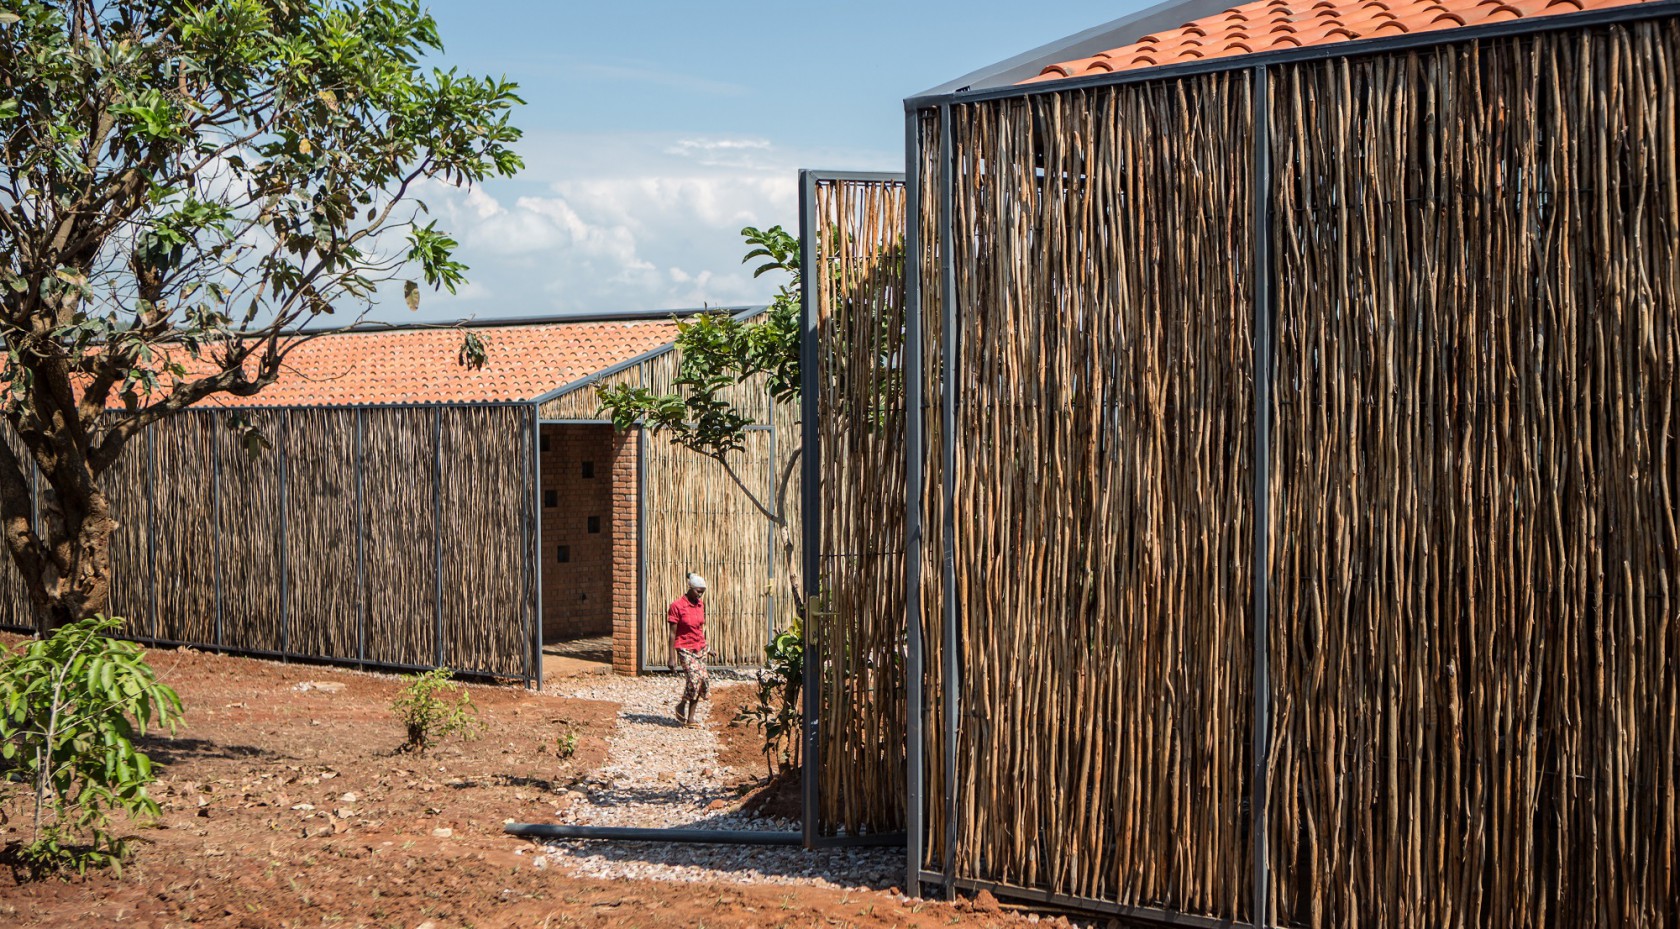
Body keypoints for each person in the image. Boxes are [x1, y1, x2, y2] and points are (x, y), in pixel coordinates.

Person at [667, 572, 709, 726]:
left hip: (699, 647)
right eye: (698, 591)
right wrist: (671, 657)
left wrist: (707, 647)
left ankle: (689, 716)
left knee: (702, 680)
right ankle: (682, 706)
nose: (700, 595)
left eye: (702, 593)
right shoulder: (677, 606)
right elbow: (672, 633)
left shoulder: (700, 605)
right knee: (693, 678)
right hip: (684, 647)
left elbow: (699, 629)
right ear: (690, 588)